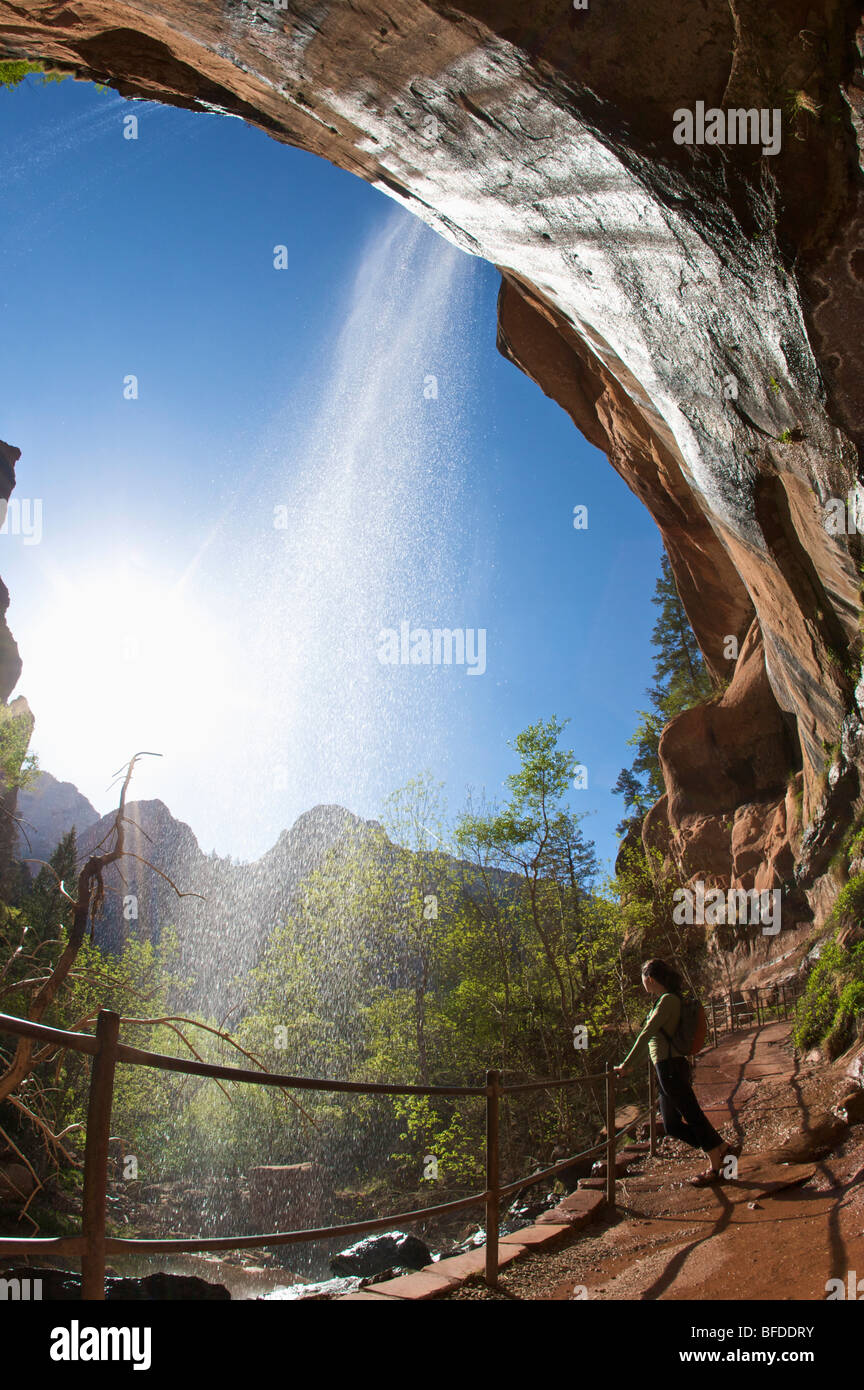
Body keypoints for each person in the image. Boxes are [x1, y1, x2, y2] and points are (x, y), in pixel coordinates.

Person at [615, 958, 738, 1185]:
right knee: (671, 1124)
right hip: (664, 1068)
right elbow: (653, 1042)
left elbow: (646, 1034)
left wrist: (625, 1063)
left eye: (642, 979)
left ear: (650, 978)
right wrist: (632, 1066)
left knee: (692, 1115)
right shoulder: (662, 1001)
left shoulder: (668, 1001)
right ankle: (722, 1147)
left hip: (671, 1067)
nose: (642, 983)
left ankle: (715, 1164)